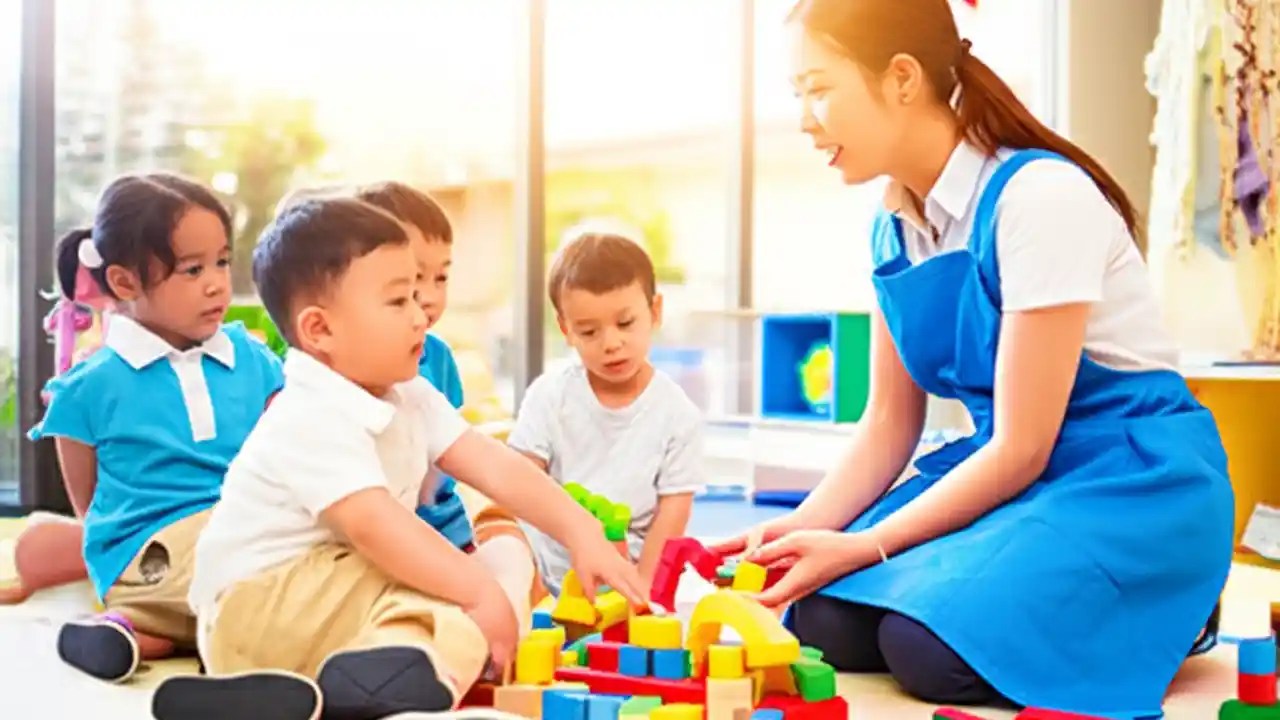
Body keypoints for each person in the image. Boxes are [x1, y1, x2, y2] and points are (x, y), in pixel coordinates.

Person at [714, 1, 1234, 717]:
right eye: (798, 94)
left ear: (901, 77)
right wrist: (803, 528)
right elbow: (889, 423)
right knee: (823, 618)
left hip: (1128, 482)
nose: (804, 117)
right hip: (1016, 473)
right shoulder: (893, 226)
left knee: (928, 650)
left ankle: (1173, 608)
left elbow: (1023, 445)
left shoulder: (1038, 198)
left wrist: (867, 547)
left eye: (819, 88)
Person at [155, 198, 645, 720]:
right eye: (398, 302)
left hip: (332, 608)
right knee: (450, 588)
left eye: (418, 294)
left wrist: (580, 531)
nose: (421, 315)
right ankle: (378, 677)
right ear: (320, 331)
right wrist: (478, 593)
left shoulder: (408, 394)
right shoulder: (310, 411)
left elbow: (495, 466)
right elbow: (373, 527)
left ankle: (379, 683)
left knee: (491, 571)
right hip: (258, 603)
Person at [23, 174, 284, 682]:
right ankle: (232, 654)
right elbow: (91, 506)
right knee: (248, 577)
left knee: (297, 556)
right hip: (149, 550)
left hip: (239, 532)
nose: (216, 283)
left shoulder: (251, 358)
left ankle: (130, 634)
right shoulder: (90, 385)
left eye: (222, 262)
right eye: (191, 270)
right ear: (123, 283)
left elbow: (282, 454)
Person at [356, 180, 543, 628]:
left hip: (443, 528)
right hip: (379, 541)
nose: (432, 295)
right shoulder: (338, 372)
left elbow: (457, 462)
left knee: (515, 560)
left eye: (441, 277)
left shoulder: (436, 357)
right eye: (414, 279)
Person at [508, 231, 705, 597]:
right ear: (566, 330)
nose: (611, 344)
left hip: (624, 579)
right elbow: (519, 484)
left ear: (655, 311)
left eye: (625, 323)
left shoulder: (677, 415)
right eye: (589, 331)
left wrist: (641, 593)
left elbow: (671, 517)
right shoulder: (550, 396)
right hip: (545, 574)